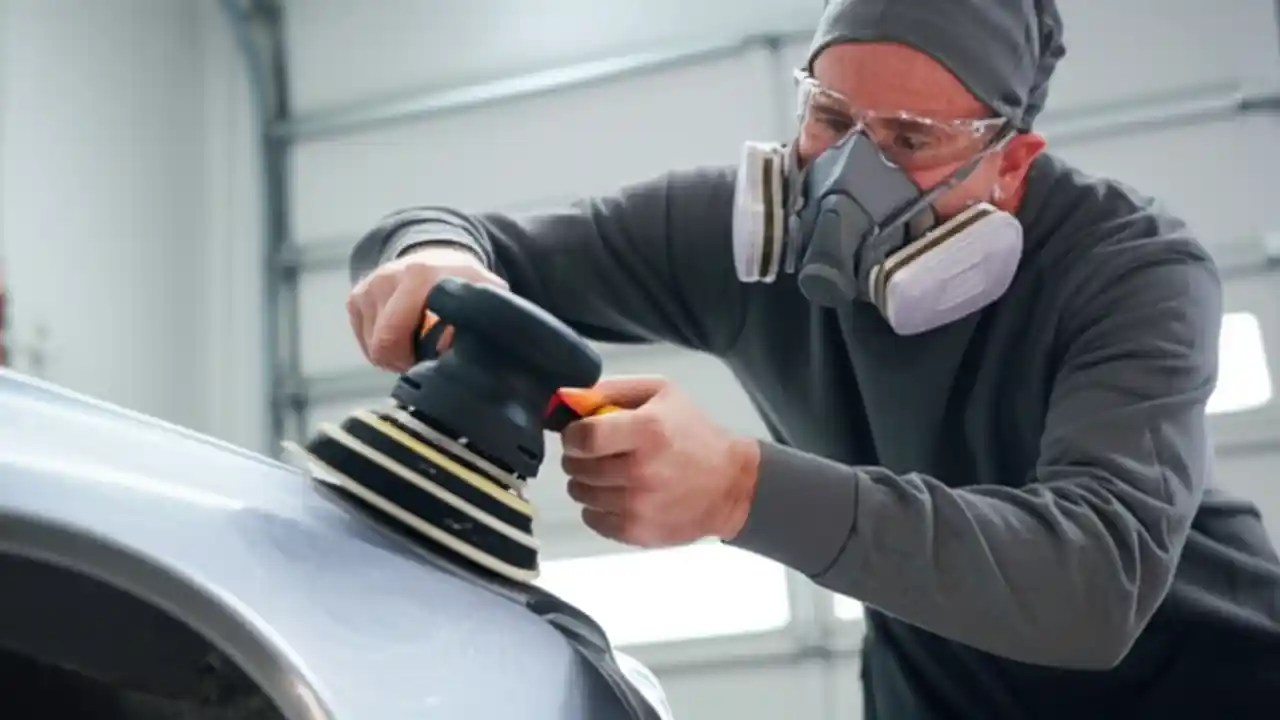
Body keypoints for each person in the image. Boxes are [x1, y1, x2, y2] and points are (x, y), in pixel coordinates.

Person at [345, 0, 1280, 717]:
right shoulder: (741, 242)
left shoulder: (1132, 272)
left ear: (1012, 162)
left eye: (911, 141)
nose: (846, 177)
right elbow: (461, 239)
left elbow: (1094, 582)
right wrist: (428, 258)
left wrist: (741, 490)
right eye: (832, 119)